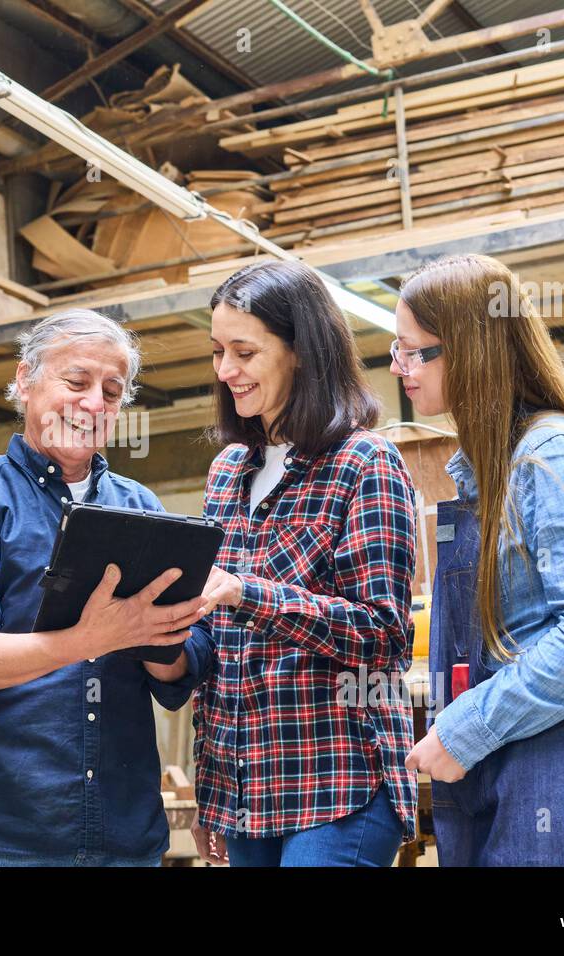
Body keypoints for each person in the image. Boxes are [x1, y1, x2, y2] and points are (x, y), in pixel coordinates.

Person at [395, 253, 564, 866]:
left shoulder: (551, 457)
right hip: (523, 768)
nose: (401, 368)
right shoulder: (488, 470)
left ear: (470, 350)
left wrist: (468, 727)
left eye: (415, 351)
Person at [0, 309, 213, 866]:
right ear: (25, 381)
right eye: (76, 382)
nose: (94, 403)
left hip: (124, 835)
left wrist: (163, 635)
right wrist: (89, 637)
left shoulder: (141, 508)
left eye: (112, 391)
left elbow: (179, 676)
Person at [190, 260, 418, 867]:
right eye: (218, 351)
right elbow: (221, 652)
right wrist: (208, 792)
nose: (225, 371)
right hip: (246, 791)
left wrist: (248, 592)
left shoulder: (365, 463)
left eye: (245, 351)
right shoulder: (227, 472)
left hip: (338, 781)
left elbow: (384, 633)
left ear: (300, 352)